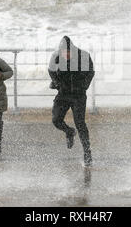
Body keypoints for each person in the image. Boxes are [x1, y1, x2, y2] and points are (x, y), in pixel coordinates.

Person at [48, 36, 95, 166]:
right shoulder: (56, 56)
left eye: (68, 52)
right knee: (56, 120)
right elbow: (51, 71)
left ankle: (87, 153)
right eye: (63, 52)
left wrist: (84, 86)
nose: (66, 54)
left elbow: (91, 72)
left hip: (78, 95)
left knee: (80, 123)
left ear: (72, 50)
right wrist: (57, 83)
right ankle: (69, 132)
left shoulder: (83, 56)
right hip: (63, 94)